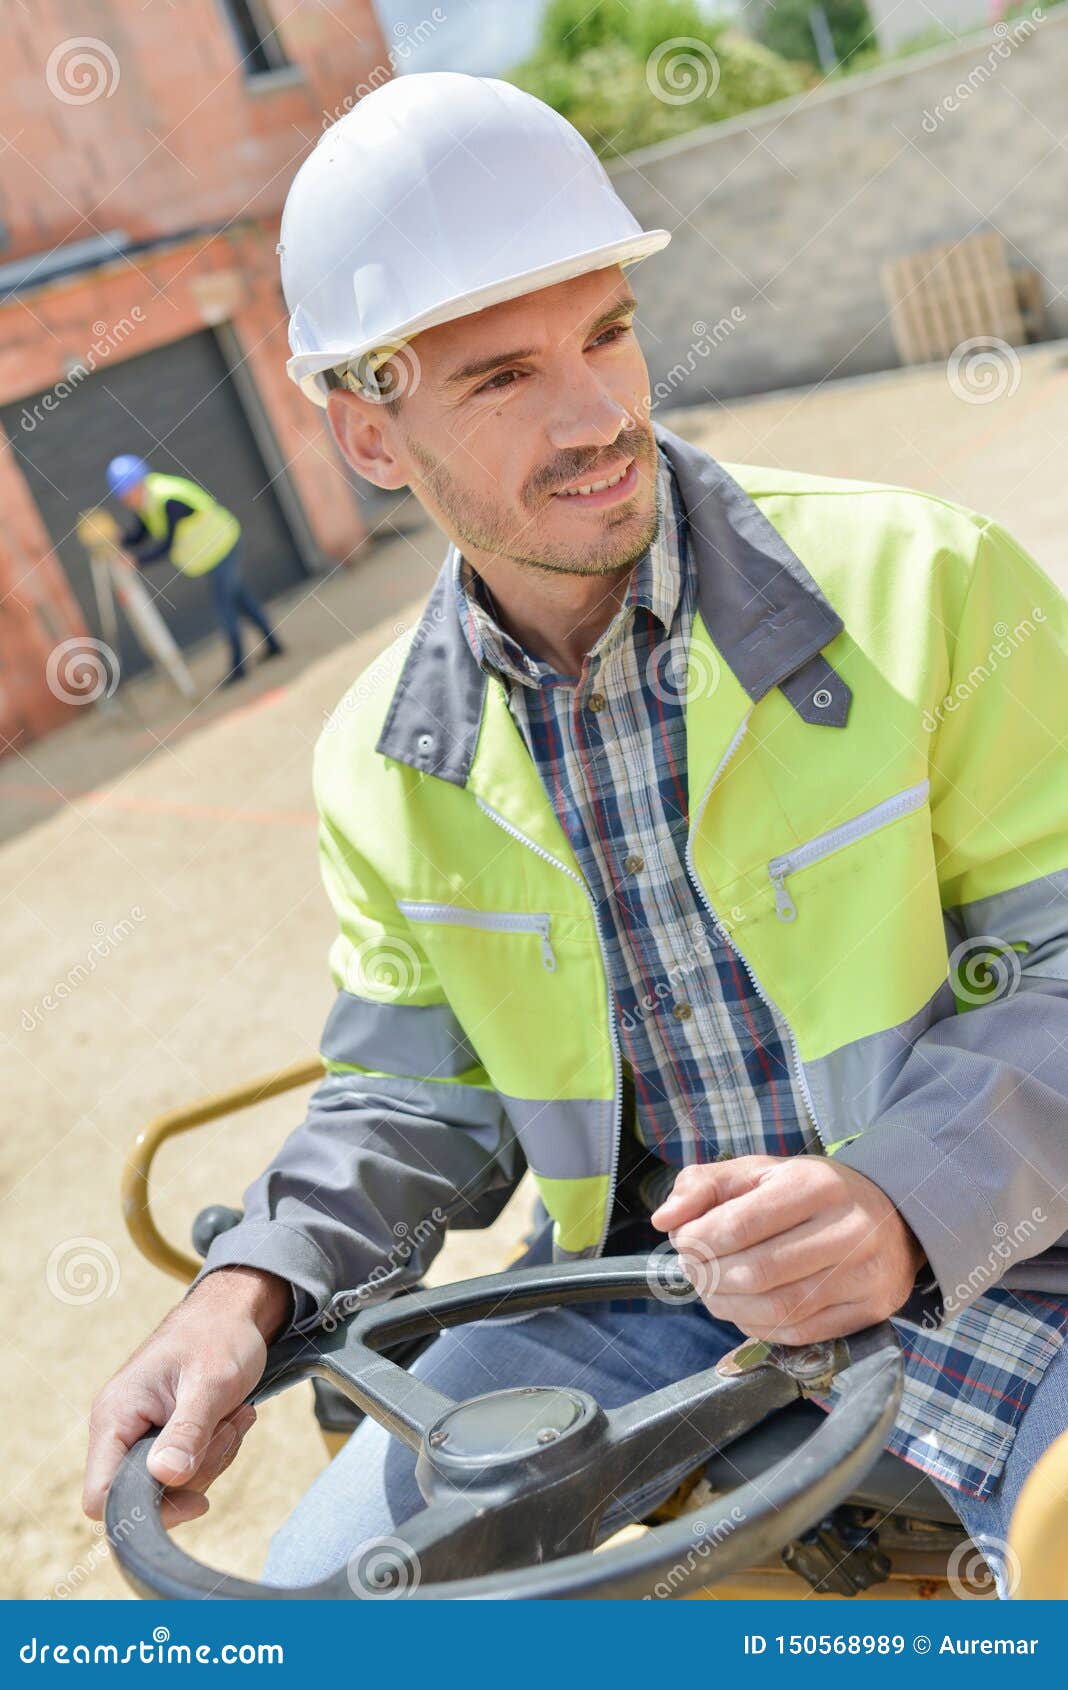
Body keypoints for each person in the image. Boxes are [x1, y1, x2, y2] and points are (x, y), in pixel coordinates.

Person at [84, 73, 1068, 1597]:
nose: (600, 413)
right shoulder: (379, 765)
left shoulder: (931, 585)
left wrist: (901, 1195)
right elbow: (411, 1098)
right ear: (365, 432)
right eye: (500, 378)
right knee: (334, 1595)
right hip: (638, 1301)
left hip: (1014, 1252)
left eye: (607, 332)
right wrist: (248, 1281)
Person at [106, 455, 284, 686]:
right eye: (122, 497)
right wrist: (119, 537)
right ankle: (274, 645)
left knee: (225, 609)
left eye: (127, 494)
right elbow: (141, 533)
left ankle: (239, 667)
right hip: (209, 554)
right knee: (241, 600)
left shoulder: (168, 499)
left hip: (221, 545)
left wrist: (136, 561)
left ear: (139, 483)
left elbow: (167, 545)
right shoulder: (146, 500)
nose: (126, 501)